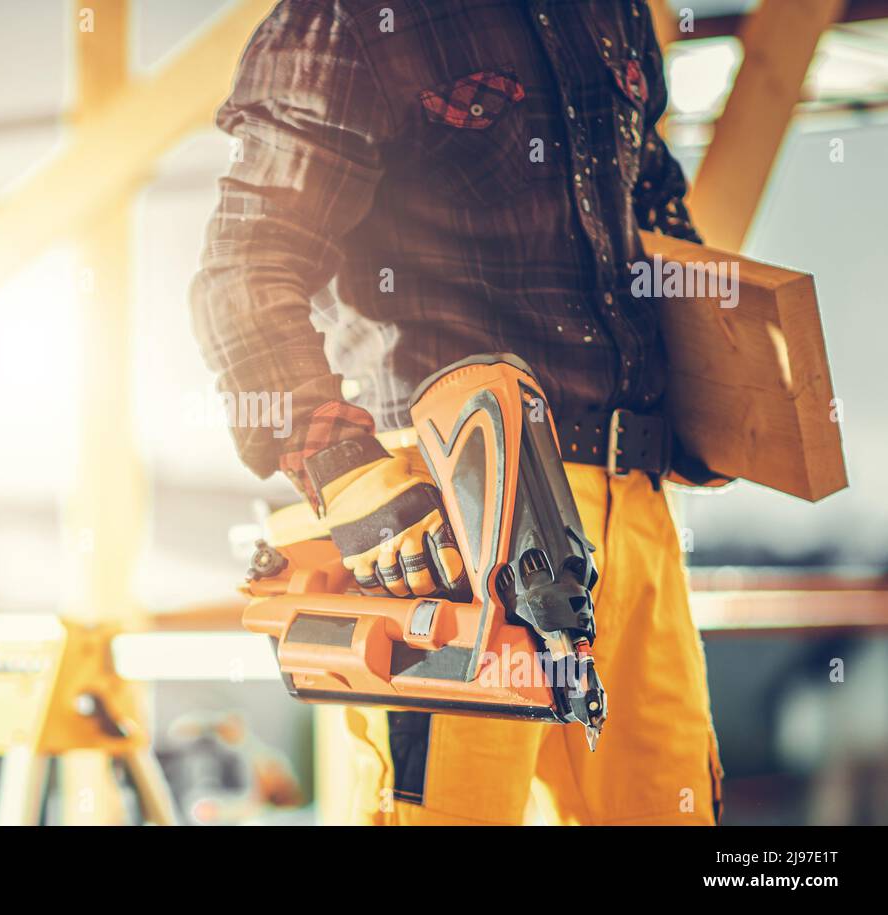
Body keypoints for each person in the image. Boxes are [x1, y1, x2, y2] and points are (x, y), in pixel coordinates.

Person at [190, 0, 722, 825]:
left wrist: (724, 385)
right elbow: (244, 269)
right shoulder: (350, 19)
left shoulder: (611, 11)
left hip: (635, 509)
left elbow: (654, 213)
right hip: (455, 522)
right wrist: (344, 473)